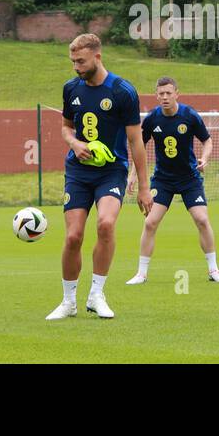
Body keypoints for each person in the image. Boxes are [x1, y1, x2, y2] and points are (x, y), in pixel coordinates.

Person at [45, 33, 150, 321]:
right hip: (78, 172)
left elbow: (136, 142)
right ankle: (68, 301)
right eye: (73, 61)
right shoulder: (71, 89)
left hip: (111, 171)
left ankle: (96, 294)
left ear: (97, 56)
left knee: (105, 225)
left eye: (80, 61)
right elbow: (66, 128)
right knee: (73, 236)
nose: (76, 67)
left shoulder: (122, 91)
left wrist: (144, 186)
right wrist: (75, 144)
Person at [125, 76, 219, 285]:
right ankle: (141, 273)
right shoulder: (152, 119)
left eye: (168, 93)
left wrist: (205, 158)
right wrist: (132, 176)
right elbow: (139, 148)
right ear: (156, 95)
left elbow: (207, 140)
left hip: (189, 178)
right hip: (163, 180)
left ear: (176, 94)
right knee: (150, 222)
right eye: (160, 94)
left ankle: (213, 269)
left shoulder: (189, 115)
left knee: (202, 219)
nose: (164, 97)